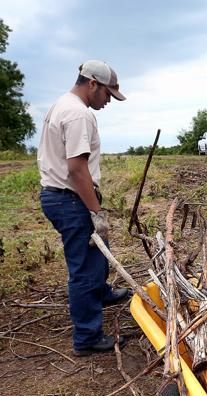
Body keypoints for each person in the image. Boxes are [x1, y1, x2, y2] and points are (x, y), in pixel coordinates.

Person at [38, 60, 130, 357]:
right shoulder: (78, 114)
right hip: (71, 198)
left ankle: (100, 293)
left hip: (65, 196)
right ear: (92, 83)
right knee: (84, 267)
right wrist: (96, 213)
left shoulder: (62, 105)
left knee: (98, 251)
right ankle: (87, 337)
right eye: (107, 95)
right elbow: (77, 168)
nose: (108, 102)